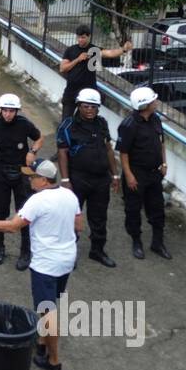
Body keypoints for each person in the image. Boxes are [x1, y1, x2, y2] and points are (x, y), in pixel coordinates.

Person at [0, 158, 81, 370]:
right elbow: (78, 225)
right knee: (50, 303)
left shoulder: (37, 201)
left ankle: (54, 360)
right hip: (66, 260)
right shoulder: (69, 195)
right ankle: (40, 342)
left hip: (46, 265)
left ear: (44, 180)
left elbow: (12, 226)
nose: (29, 179)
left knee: (48, 311)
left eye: (33, 176)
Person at [56, 88, 120, 268]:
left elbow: (108, 149)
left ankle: (97, 251)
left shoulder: (102, 124)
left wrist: (114, 174)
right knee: (72, 217)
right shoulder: (68, 126)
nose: (90, 110)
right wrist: (66, 180)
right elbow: (62, 153)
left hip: (101, 180)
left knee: (99, 217)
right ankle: (69, 253)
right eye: (86, 106)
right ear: (78, 106)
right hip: (78, 179)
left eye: (94, 107)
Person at [0, 93, 42, 269]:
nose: (8, 114)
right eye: (5, 110)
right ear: (0, 110)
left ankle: (25, 252)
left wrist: (33, 151)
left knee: (24, 213)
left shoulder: (24, 124)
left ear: (16, 111)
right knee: (0, 212)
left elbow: (39, 138)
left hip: (22, 171)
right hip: (0, 171)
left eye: (11, 111)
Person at [118, 86, 171, 261]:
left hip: (154, 174)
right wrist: (129, 175)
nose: (156, 102)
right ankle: (136, 242)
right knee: (133, 210)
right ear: (145, 104)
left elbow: (161, 141)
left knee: (157, 209)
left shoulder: (155, 119)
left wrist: (164, 162)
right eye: (153, 100)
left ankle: (158, 243)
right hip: (136, 174)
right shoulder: (129, 125)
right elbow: (123, 153)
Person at [58, 25, 132, 120]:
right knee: (66, 120)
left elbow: (110, 53)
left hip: (89, 93)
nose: (80, 40)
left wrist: (123, 49)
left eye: (83, 37)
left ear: (89, 37)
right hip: (71, 92)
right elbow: (63, 68)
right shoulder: (70, 50)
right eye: (79, 37)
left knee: (86, 121)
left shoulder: (94, 50)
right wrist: (78, 59)